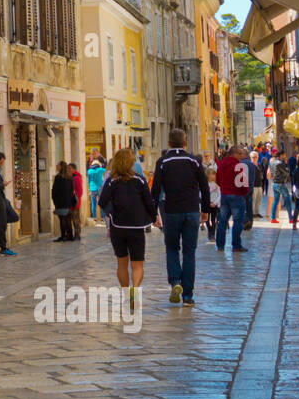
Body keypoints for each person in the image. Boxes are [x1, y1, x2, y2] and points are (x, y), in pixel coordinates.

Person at [150, 129, 211, 306]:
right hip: (192, 211)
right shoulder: (194, 161)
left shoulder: (163, 162)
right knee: (189, 252)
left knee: (171, 248)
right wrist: (205, 209)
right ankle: (188, 295)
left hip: (171, 211)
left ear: (168, 143)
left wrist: (153, 212)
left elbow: (155, 190)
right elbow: (205, 186)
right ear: (185, 143)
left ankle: (175, 281)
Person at [97, 149, 158, 311]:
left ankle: (126, 293)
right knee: (137, 265)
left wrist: (111, 212)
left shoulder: (111, 181)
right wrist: (154, 218)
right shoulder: (139, 180)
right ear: (131, 162)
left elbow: (102, 202)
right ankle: (135, 290)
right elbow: (148, 201)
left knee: (122, 263)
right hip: (136, 227)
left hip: (118, 227)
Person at [215, 145, 250, 253]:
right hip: (237, 196)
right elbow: (244, 183)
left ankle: (220, 246)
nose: (241, 156)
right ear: (233, 154)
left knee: (222, 221)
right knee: (237, 221)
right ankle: (236, 246)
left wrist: (224, 188)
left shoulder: (221, 164)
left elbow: (218, 180)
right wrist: (244, 193)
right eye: (239, 153)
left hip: (225, 195)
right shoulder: (239, 166)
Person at [51, 161, 77, 241]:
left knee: (62, 219)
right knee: (67, 219)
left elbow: (55, 191)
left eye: (58, 165)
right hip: (68, 202)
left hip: (60, 202)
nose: (56, 166)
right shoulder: (69, 177)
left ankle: (63, 236)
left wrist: (54, 200)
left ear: (61, 167)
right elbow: (72, 190)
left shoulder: (58, 177)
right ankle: (70, 235)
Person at [269, 148, 294, 223]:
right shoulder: (280, 163)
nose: (285, 156)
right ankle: (291, 218)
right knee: (288, 200)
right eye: (284, 155)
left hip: (274, 183)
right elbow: (286, 172)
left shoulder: (272, 162)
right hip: (280, 184)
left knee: (275, 201)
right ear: (282, 155)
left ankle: (273, 218)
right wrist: (286, 164)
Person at [69, 162, 85, 240]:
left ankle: (77, 235)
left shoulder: (76, 177)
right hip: (71, 201)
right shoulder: (71, 177)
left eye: (70, 168)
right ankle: (75, 234)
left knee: (76, 219)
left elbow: (80, 191)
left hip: (75, 202)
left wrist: (76, 199)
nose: (68, 170)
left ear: (73, 169)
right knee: (73, 219)